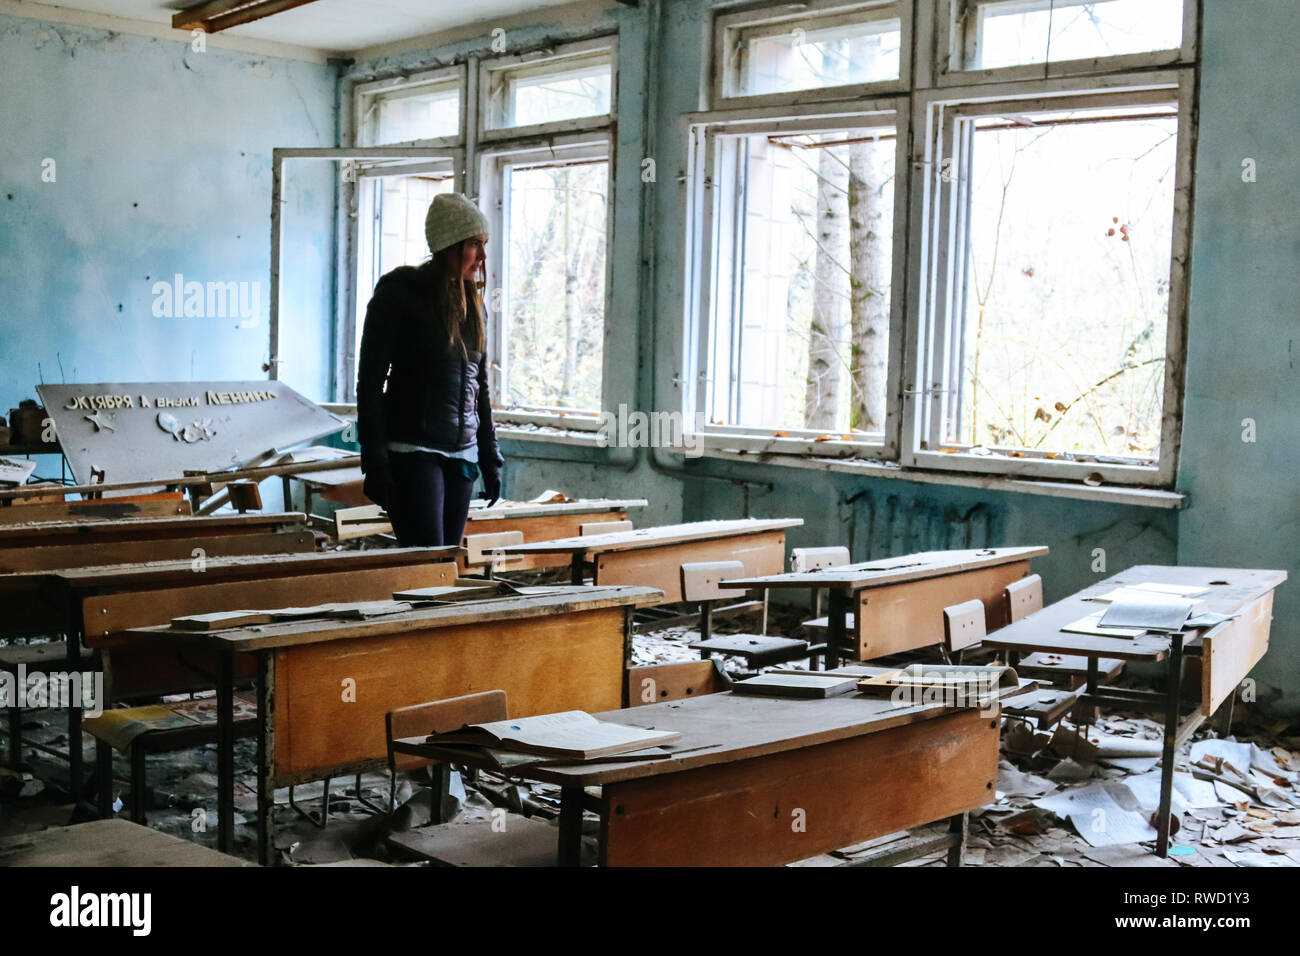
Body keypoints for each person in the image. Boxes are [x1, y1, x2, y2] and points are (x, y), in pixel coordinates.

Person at [356, 193, 504, 547]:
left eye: (484, 245)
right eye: (474, 245)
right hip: (412, 451)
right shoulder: (399, 294)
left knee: (445, 566)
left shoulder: (473, 305)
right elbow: (370, 383)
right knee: (426, 567)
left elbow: (478, 386)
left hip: (461, 453)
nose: (482, 257)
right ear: (449, 245)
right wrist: (374, 461)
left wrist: (489, 456)